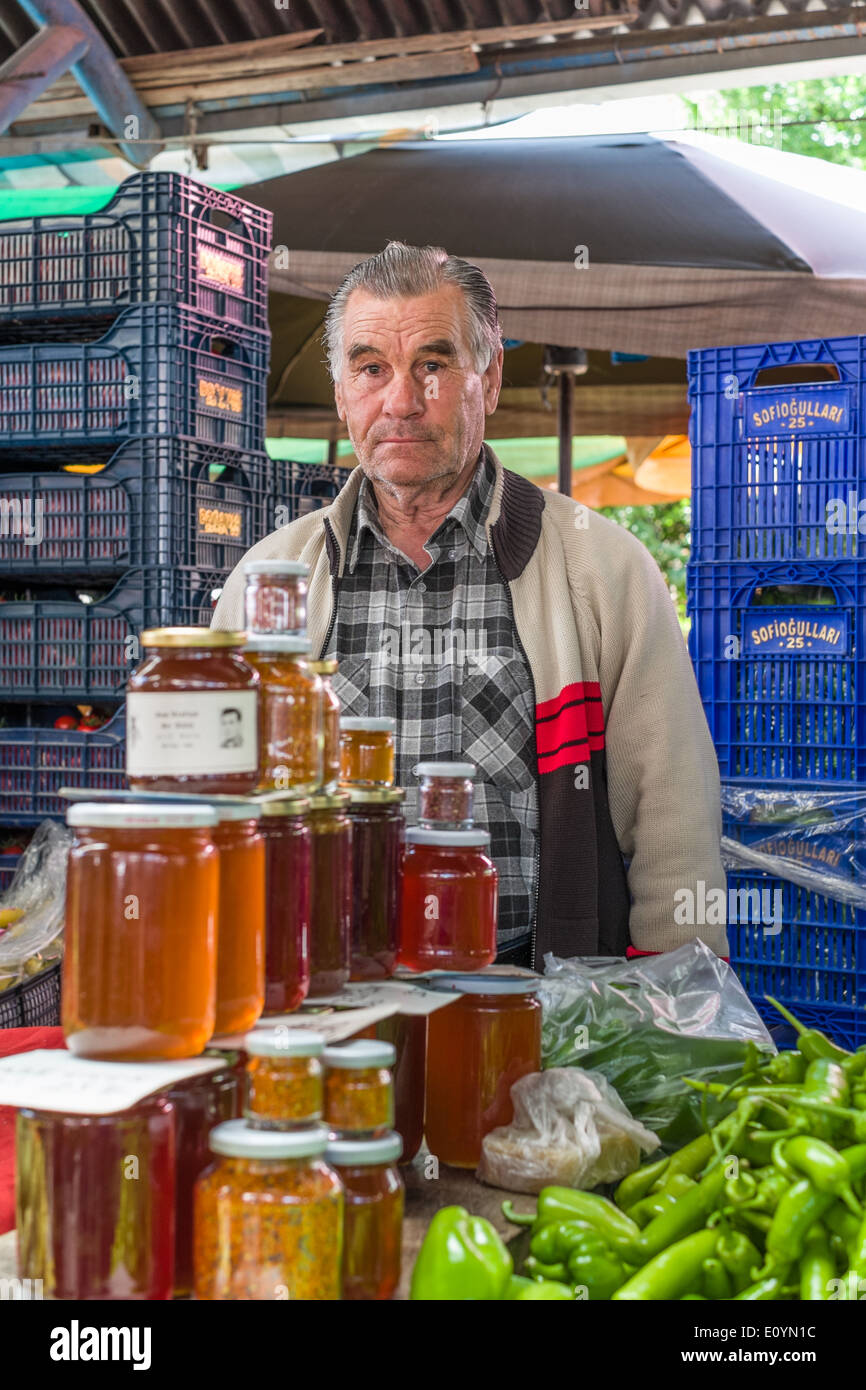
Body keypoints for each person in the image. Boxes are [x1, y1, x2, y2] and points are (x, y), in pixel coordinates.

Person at [213, 241, 727, 967]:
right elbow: (215, 810)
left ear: (487, 382)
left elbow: (673, 817)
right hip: (321, 1002)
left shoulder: (602, 567)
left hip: (535, 1001)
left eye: (434, 364)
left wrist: (680, 1015)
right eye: (370, 369)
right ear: (341, 394)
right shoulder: (269, 580)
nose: (400, 401)